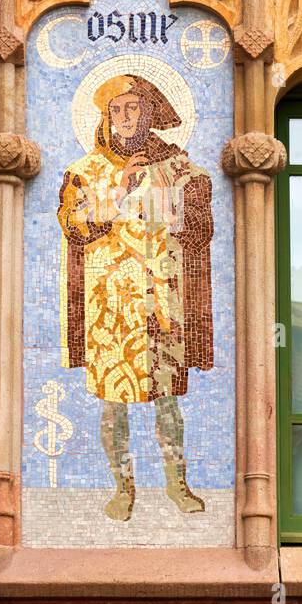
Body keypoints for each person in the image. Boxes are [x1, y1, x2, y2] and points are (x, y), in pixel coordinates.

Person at [57, 74, 214, 520]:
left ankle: (177, 484)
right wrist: (118, 192)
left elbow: (202, 229)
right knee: (114, 403)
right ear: (107, 117)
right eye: (117, 110)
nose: (126, 118)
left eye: (133, 108)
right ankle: (122, 488)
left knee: (168, 402)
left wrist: (174, 206)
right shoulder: (84, 171)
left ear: (150, 113)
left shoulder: (182, 168)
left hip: (163, 301)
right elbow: (75, 226)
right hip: (110, 307)